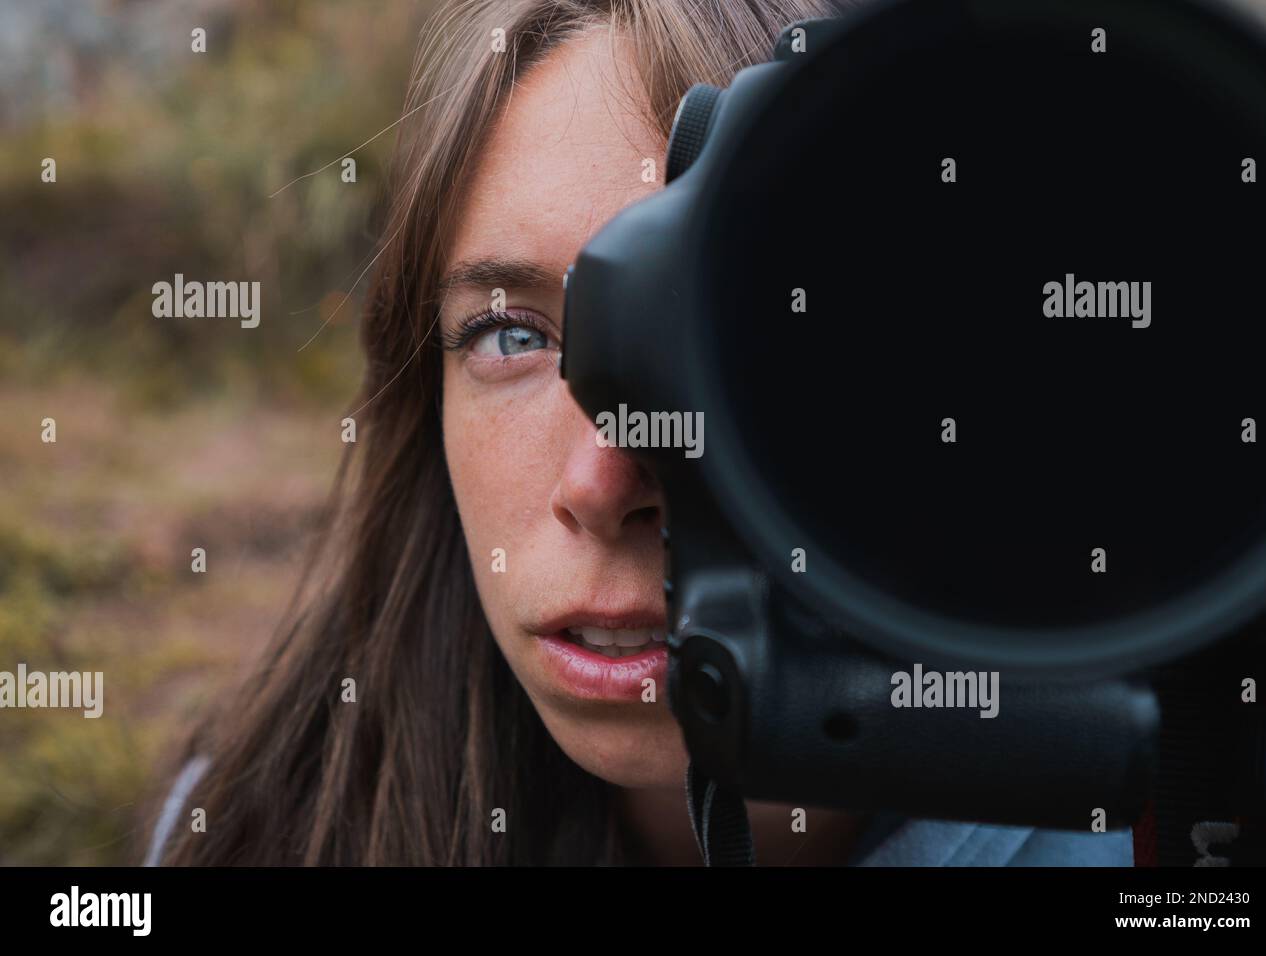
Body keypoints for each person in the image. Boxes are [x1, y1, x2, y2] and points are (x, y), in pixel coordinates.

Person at [147, 0, 1133, 867]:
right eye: (509, 334)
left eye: (740, 333)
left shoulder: (1179, 818)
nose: (601, 479)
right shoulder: (250, 824)